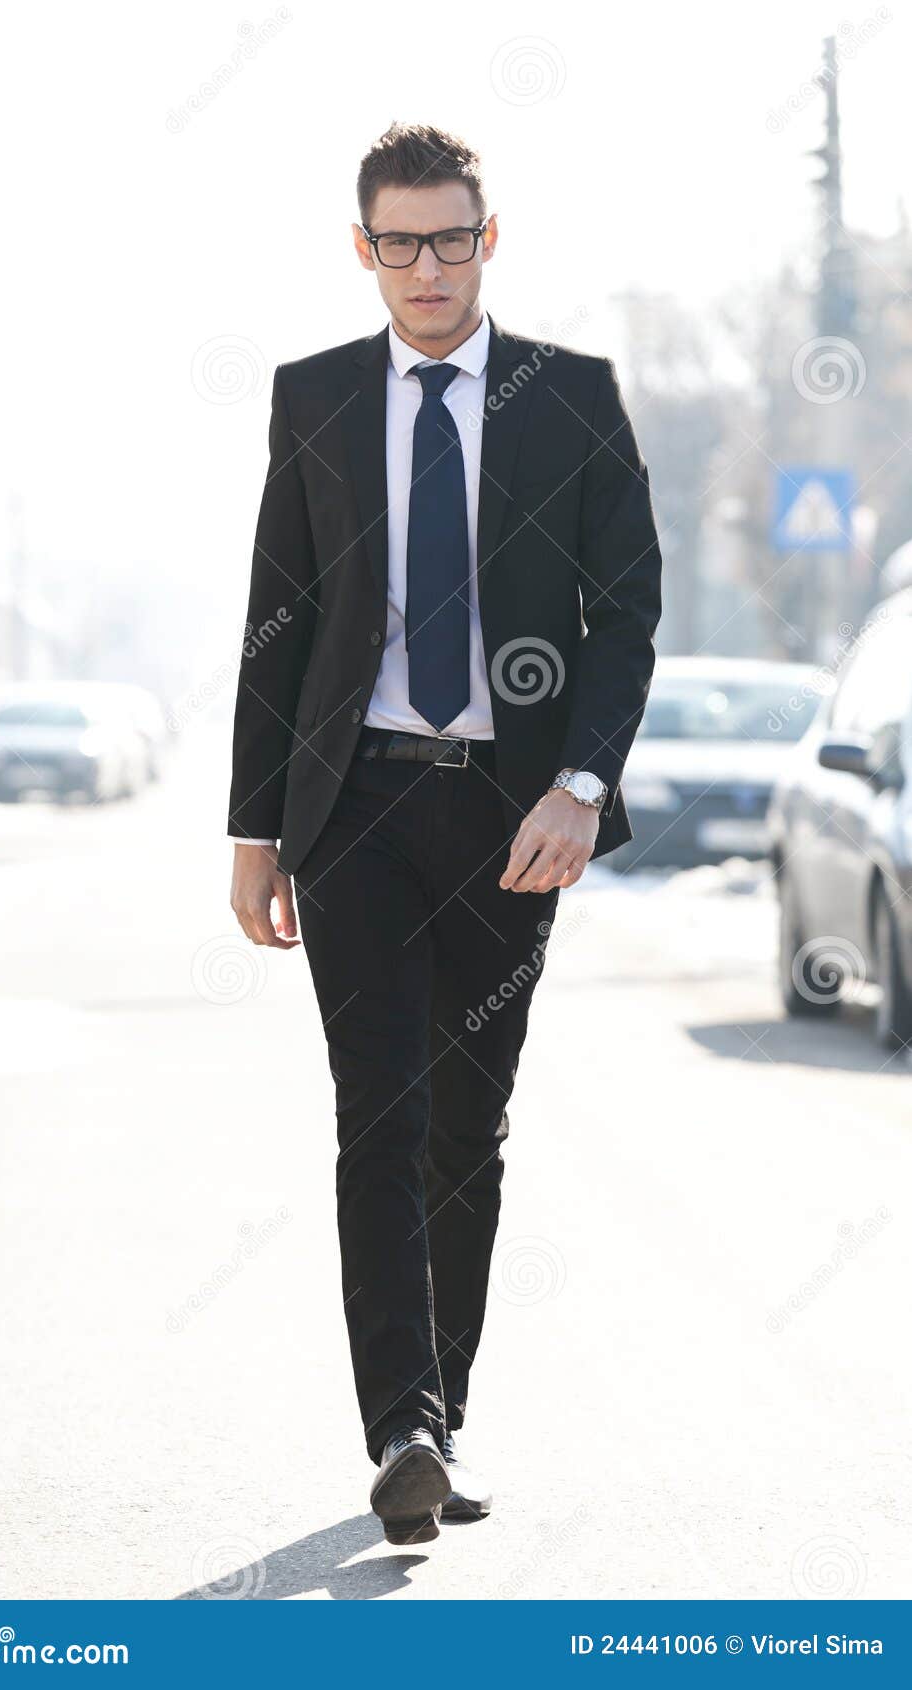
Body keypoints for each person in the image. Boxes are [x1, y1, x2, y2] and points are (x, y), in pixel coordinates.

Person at [227, 121, 663, 1545]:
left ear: (492, 238)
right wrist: (253, 828)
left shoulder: (573, 397)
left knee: (468, 1124)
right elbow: (276, 621)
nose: (428, 264)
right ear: (363, 248)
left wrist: (582, 787)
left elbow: (629, 613)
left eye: (453, 236)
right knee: (384, 1111)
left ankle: (442, 1412)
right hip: (352, 803)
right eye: (400, 240)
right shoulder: (316, 398)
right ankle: (401, 1423)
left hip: (511, 812)